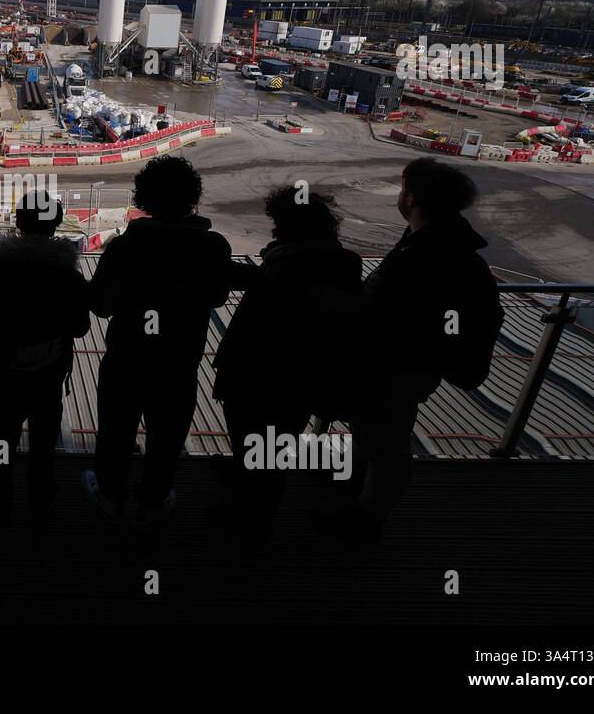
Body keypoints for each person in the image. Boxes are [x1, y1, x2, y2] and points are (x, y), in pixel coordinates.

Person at [323, 157, 501, 541]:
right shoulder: (444, 245)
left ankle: (366, 521)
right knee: (380, 438)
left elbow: (384, 312)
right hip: (408, 367)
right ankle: (360, 496)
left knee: (388, 448)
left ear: (413, 198)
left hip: (395, 368)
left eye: (404, 189)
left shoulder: (425, 254)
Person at [83, 155, 234, 531]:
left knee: (116, 434)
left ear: (143, 199)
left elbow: (100, 307)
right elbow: (217, 297)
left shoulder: (124, 247)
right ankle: (152, 504)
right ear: (192, 199)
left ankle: (110, 496)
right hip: (179, 362)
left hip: (127, 359)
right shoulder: (213, 247)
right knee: (166, 439)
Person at [212, 185, 362, 530]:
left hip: (263, 373)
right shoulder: (338, 262)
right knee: (274, 442)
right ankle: (247, 479)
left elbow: (279, 308)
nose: (275, 228)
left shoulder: (288, 264)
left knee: (260, 445)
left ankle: (254, 516)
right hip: (302, 376)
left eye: (279, 222)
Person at [0, 191, 89, 522]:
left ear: (18, 223)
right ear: (55, 225)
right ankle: (40, 494)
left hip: (6, 379)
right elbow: (81, 327)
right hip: (49, 377)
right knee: (43, 441)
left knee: (2, 438)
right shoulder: (69, 278)